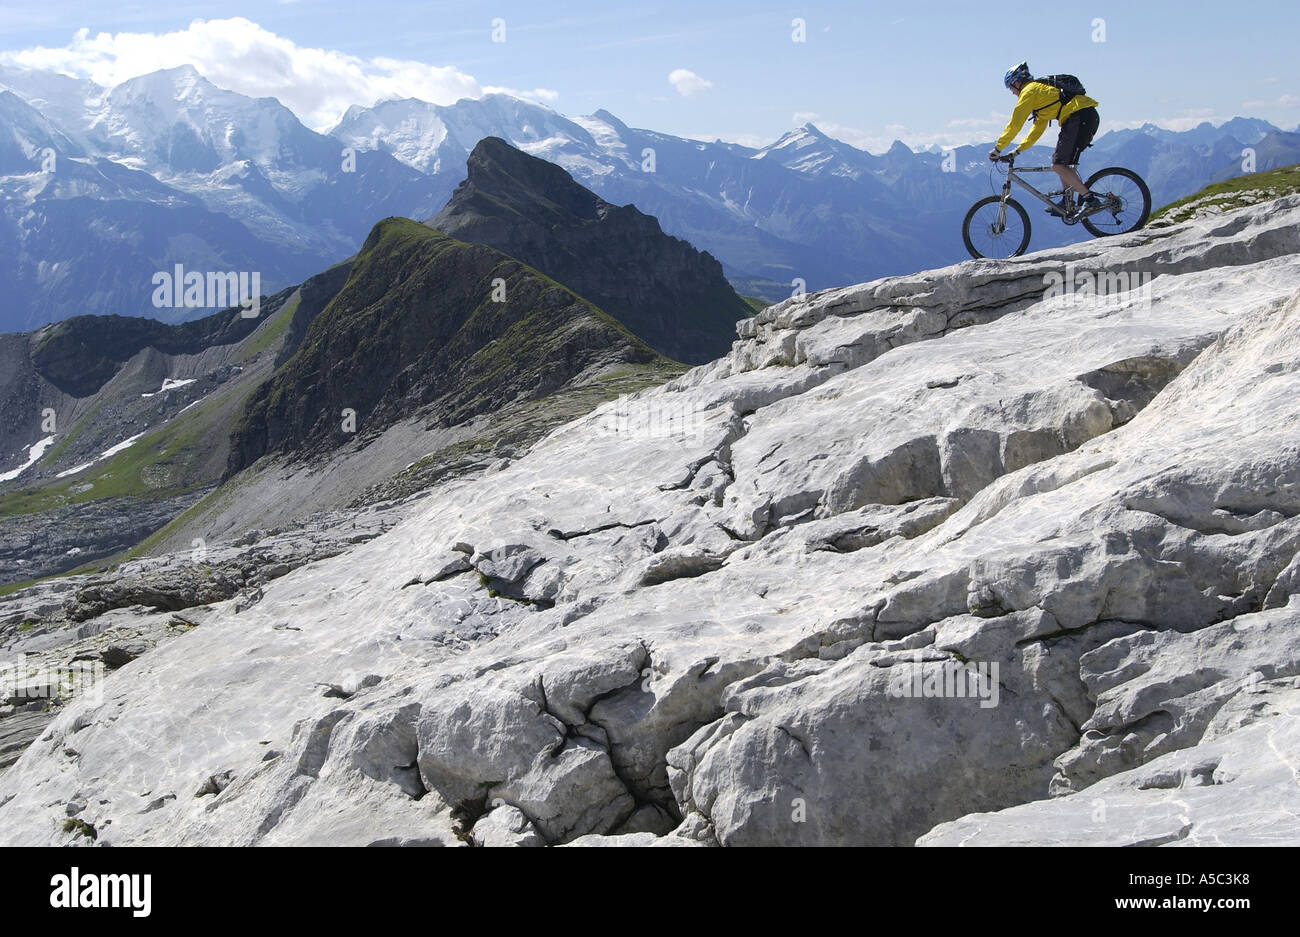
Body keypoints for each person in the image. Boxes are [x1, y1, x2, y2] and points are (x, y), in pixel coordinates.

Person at [988, 62, 1102, 218]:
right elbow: (1037, 130)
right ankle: (1067, 201)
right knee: (1060, 161)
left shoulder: (1029, 91)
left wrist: (998, 149)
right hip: (1081, 117)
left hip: (1078, 117)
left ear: (1017, 82)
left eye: (1011, 88)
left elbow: (1015, 124)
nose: (1012, 93)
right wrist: (1017, 151)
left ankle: (1090, 199)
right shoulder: (1039, 95)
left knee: (1058, 164)